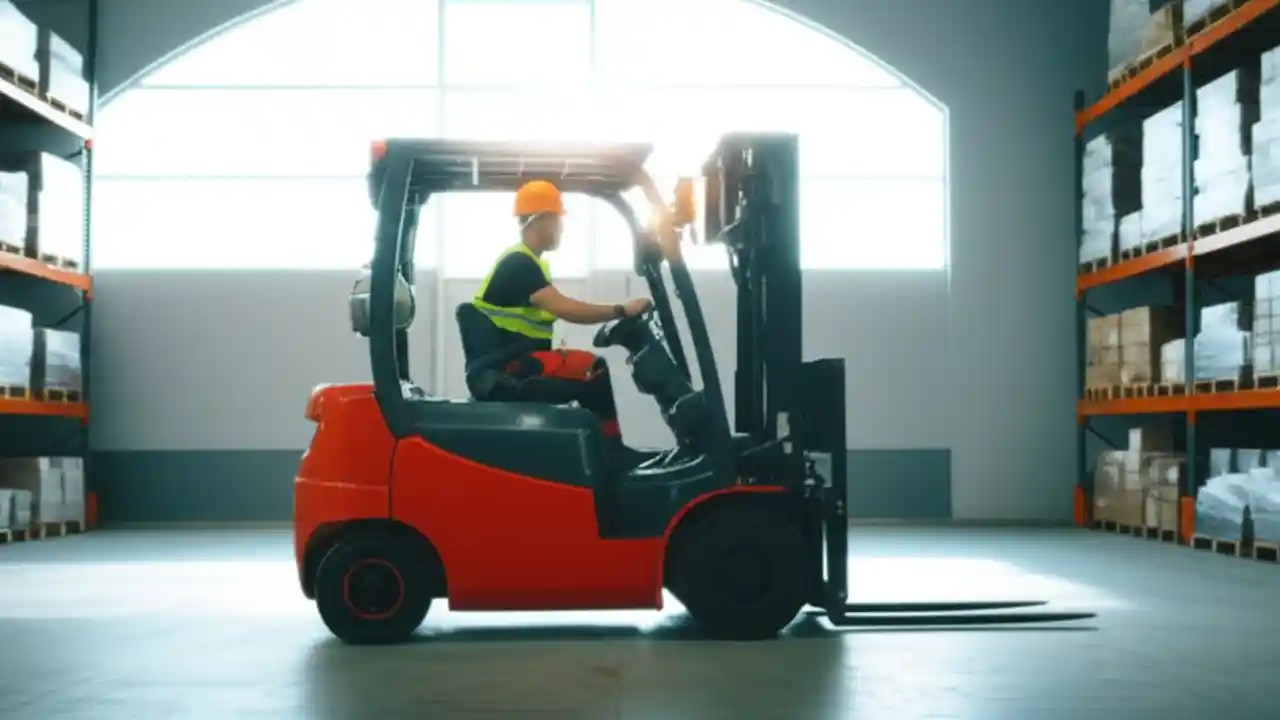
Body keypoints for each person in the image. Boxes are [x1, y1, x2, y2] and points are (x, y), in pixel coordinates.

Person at [472, 179, 652, 447]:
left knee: (585, 368)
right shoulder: (519, 263)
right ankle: (613, 453)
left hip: (514, 363)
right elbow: (567, 308)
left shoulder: (529, 263)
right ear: (539, 220)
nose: (561, 228)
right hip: (511, 369)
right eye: (557, 219)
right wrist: (621, 310)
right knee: (593, 370)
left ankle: (606, 450)